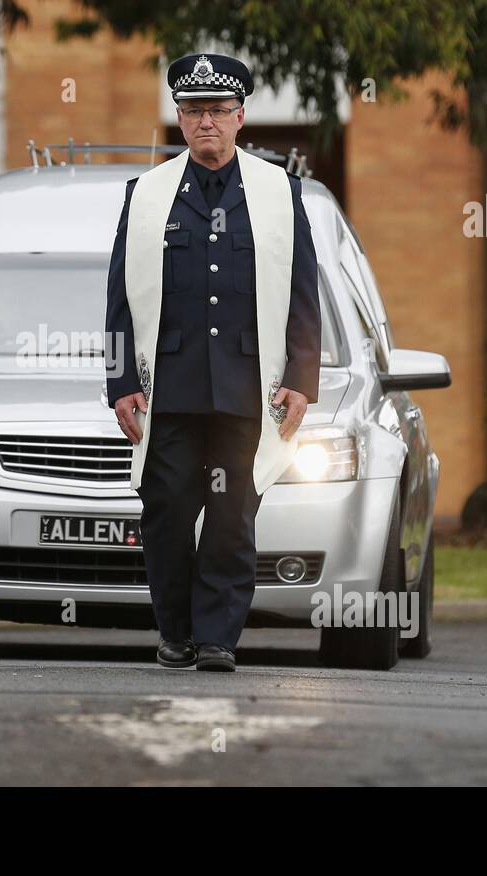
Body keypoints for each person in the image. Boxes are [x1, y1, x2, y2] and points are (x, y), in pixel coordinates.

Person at [105, 53, 321, 672]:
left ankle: (219, 638)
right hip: (167, 388)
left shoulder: (280, 192)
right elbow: (120, 297)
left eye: (218, 111)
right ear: (179, 117)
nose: (207, 122)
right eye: (194, 111)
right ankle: (176, 631)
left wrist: (303, 380)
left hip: (247, 388)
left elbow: (302, 294)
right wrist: (121, 381)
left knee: (232, 516)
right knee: (167, 511)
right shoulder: (145, 195)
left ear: (240, 117)